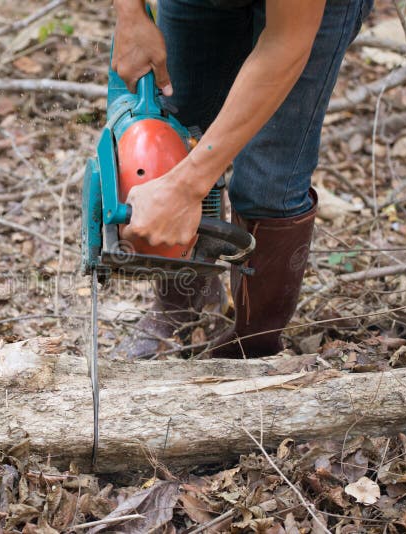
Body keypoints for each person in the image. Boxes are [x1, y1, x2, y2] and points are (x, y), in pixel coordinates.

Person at [111, 0, 374, 359]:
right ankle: (184, 306)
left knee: (268, 181)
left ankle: (251, 346)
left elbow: (287, 43)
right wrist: (130, 15)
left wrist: (186, 187)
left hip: (305, 15)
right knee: (174, 137)